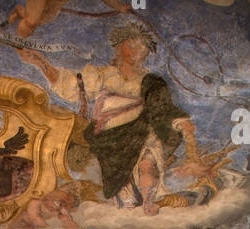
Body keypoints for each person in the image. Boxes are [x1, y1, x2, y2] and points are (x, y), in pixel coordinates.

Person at [20, 20, 210, 214]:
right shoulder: (103, 75)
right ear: (120, 47)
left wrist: (182, 124)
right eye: (133, 44)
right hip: (109, 138)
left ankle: (149, 202)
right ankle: (128, 206)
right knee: (121, 188)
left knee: (147, 163)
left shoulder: (151, 81)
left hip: (141, 131)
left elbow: (164, 109)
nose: (139, 49)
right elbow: (68, 84)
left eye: (143, 45)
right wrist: (40, 62)